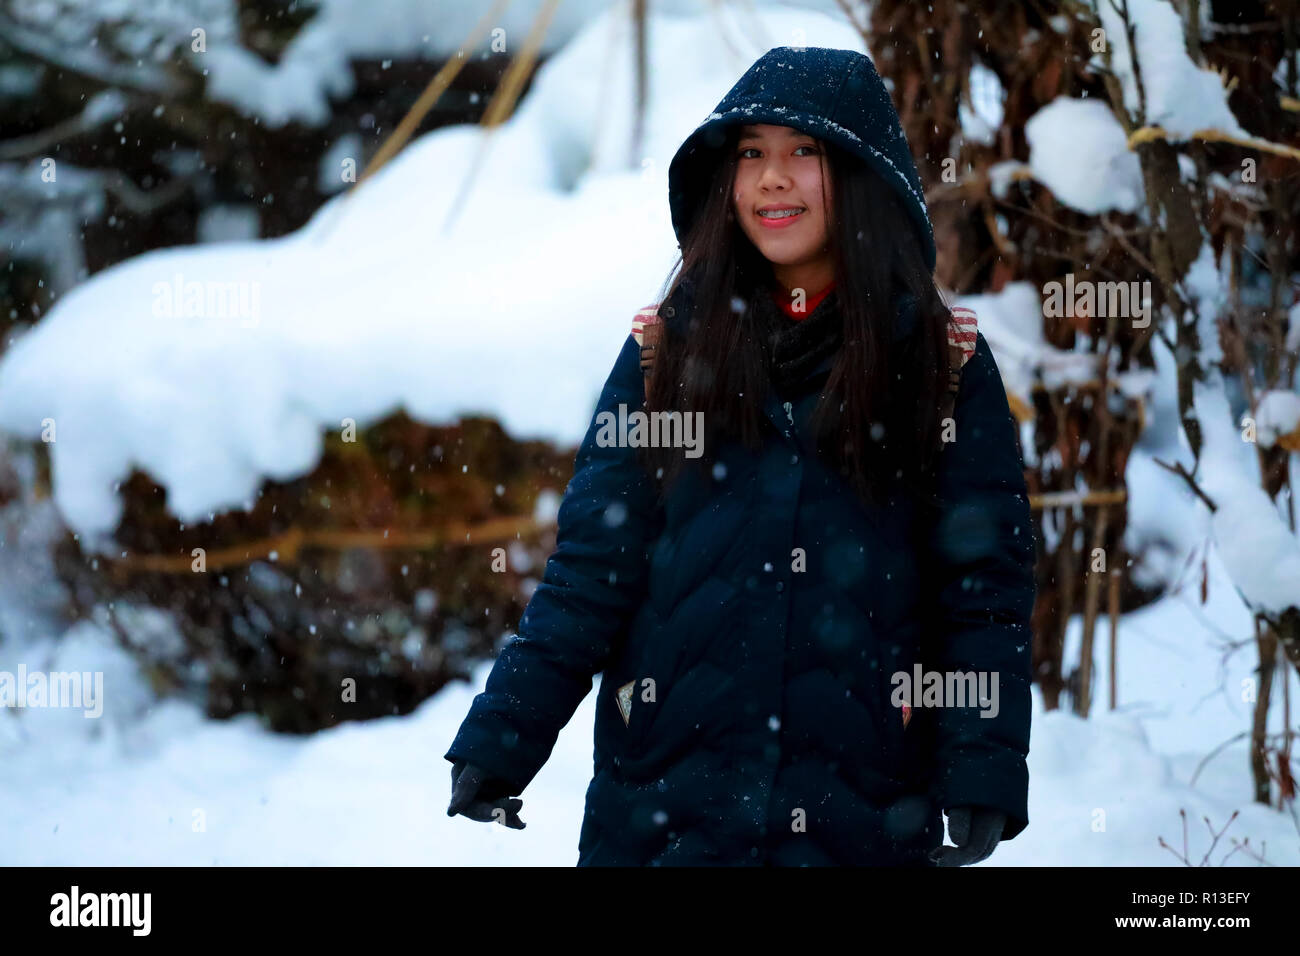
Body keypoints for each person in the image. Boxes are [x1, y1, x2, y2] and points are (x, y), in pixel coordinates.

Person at [445, 45, 1036, 866]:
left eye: (805, 153)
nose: (771, 180)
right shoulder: (666, 350)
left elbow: (983, 591)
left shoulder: (940, 363)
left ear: (861, 173)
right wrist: (506, 731)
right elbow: (593, 566)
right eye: (751, 152)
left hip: (859, 813)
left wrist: (983, 768)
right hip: (663, 812)